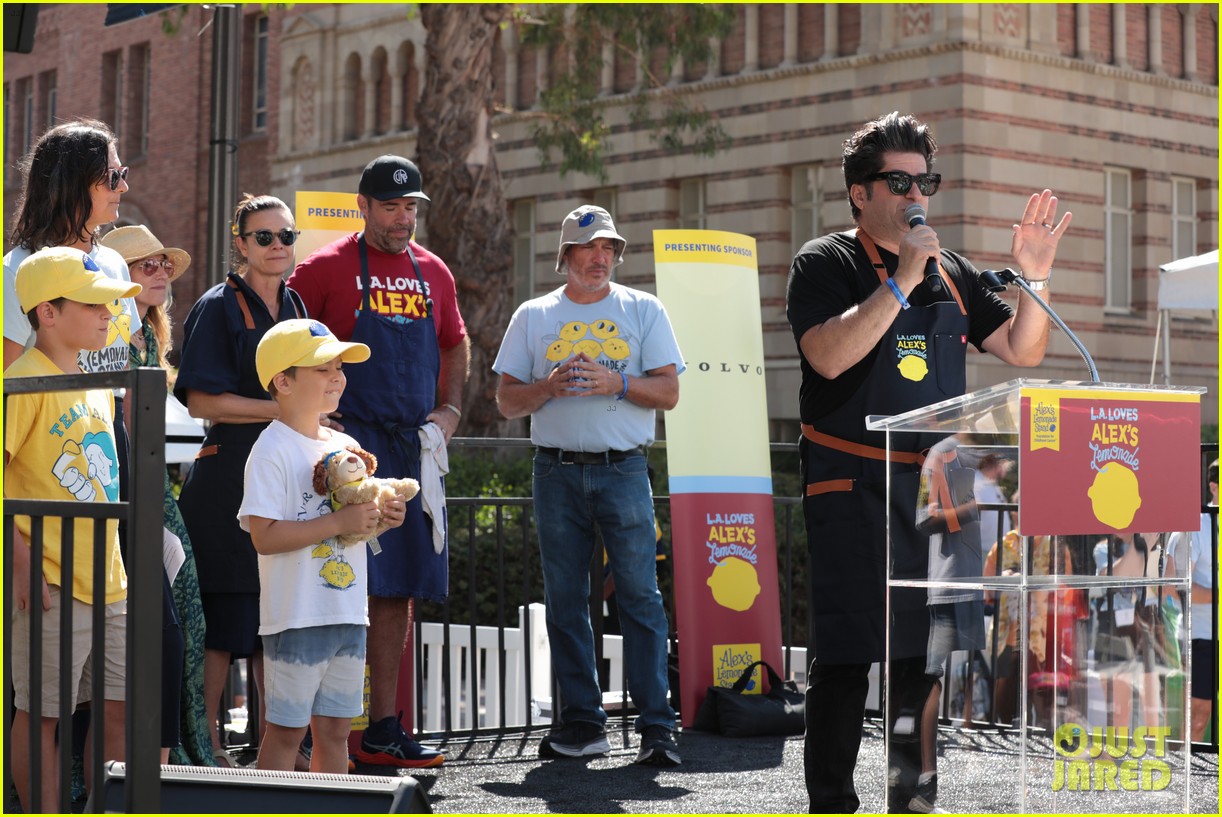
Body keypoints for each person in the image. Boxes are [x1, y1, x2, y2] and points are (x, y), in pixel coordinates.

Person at [786, 111, 1071, 813]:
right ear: (861, 193)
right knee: (848, 656)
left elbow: (1024, 351)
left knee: (922, 660)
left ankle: (912, 801)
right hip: (850, 482)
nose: (917, 195)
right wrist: (901, 281)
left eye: (926, 181)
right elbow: (827, 354)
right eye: (900, 181)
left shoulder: (956, 272)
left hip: (936, 492)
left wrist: (1035, 278)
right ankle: (832, 802)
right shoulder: (824, 262)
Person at [288, 155, 468, 768]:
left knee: (396, 593)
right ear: (362, 206)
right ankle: (314, 732)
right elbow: (285, 346)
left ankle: (385, 727)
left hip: (411, 450)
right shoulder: (322, 269)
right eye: (390, 206)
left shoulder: (434, 272)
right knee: (332, 582)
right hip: (345, 450)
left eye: (410, 206)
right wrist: (312, 418)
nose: (403, 217)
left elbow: (456, 342)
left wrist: (450, 411)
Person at [493, 205, 684, 767]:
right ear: (566, 257)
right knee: (566, 602)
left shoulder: (644, 308)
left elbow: (669, 393)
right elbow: (506, 401)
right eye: (589, 248)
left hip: (624, 467)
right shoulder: (532, 314)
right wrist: (548, 387)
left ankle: (656, 729)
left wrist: (617, 381)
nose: (601, 258)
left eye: (610, 249)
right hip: (554, 470)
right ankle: (582, 724)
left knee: (640, 598)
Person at [237, 318, 409, 773]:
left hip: (349, 614)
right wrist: (339, 521)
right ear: (282, 381)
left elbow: (354, 527)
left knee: (336, 733)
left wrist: (381, 520)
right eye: (323, 367)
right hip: (295, 618)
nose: (338, 376)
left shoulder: (345, 443)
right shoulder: (269, 448)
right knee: (288, 734)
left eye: (339, 366)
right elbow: (264, 536)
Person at [5, 248, 141, 811]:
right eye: (92, 303)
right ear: (47, 312)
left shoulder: (94, 377)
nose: (108, 311)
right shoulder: (21, 382)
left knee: (117, 708)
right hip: (54, 582)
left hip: (108, 576)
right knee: (42, 714)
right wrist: (22, 564)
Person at [175, 194, 306, 766]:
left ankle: (276, 754)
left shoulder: (298, 304)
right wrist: (281, 410)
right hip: (229, 475)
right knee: (225, 624)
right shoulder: (216, 305)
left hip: (288, 475)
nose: (278, 246)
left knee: (277, 619)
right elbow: (200, 397)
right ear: (240, 242)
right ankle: (207, 749)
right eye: (264, 237)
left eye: (286, 236)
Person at [100, 225, 212, 766]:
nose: (162, 271)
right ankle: (141, 766)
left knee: (186, 622)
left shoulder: (149, 336)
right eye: (147, 264)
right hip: (127, 488)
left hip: (157, 486)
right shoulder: (110, 337)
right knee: (155, 629)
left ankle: (185, 752)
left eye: (164, 263)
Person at [3, 119, 138, 372]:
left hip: (110, 410)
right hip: (47, 409)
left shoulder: (115, 263)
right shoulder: (17, 269)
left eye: (124, 173)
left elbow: (124, 373)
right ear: (71, 184)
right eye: (113, 176)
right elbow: (7, 380)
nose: (123, 186)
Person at [1167, 459, 1218, 743]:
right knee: (1199, 716)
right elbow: (1180, 587)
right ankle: (1190, 778)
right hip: (1201, 635)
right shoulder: (1196, 524)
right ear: (1213, 486)